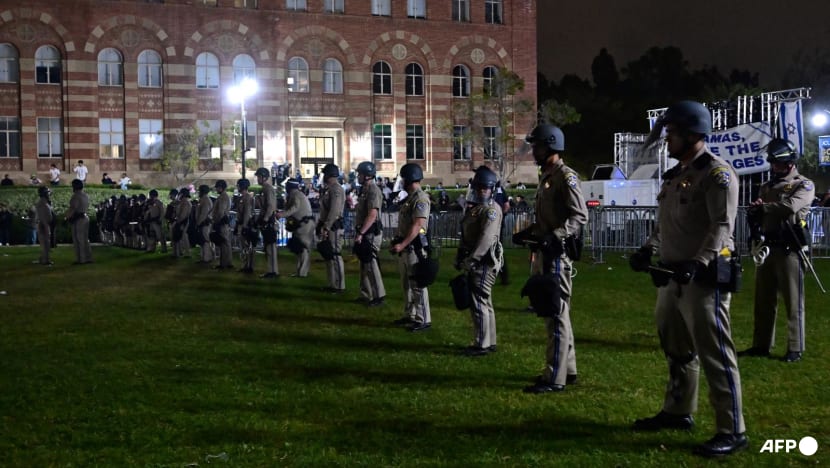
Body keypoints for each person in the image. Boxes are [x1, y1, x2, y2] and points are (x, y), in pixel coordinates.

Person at [628, 100, 746, 457]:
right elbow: (666, 223)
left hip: (703, 277)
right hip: (672, 275)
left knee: (716, 354)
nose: (667, 139)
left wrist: (698, 263)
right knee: (676, 348)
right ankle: (679, 410)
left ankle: (733, 429)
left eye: (672, 132)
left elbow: (722, 227)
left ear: (693, 133)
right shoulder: (677, 175)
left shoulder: (716, 173)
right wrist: (649, 248)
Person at [515, 124, 587, 394]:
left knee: (554, 314)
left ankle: (554, 377)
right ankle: (567, 370)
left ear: (551, 145)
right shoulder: (548, 176)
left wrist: (555, 236)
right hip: (547, 250)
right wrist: (528, 234)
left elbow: (579, 215)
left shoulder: (564, 177)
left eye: (538, 146)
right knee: (559, 314)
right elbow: (546, 219)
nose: (534, 151)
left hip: (557, 254)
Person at [740, 139, 815, 363]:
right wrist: (756, 214)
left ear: (790, 163)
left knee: (793, 302)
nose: (775, 167)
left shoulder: (804, 184)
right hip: (768, 247)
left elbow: (790, 207)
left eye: (779, 164)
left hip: (790, 249)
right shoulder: (767, 186)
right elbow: (763, 213)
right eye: (773, 164)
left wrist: (763, 207)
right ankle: (761, 344)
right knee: (763, 301)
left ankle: (795, 347)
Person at [456, 166, 504, 355]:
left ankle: (481, 343)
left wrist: (471, 260)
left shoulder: (491, 210)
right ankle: (488, 340)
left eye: (485, 188)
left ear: (492, 189)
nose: (480, 191)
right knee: (484, 301)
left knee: (479, 302)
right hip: (476, 259)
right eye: (478, 187)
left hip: (483, 261)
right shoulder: (479, 208)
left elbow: (486, 238)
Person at [390, 163, 433, 332]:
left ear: (409, 179)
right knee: (406, 284)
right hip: (406, 247)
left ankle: (423, 319)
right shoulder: (410, 198)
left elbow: (418, 225)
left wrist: (403, 243)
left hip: (414, 248)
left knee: (417, 285)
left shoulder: (420, 198)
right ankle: (411, 315)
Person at [353, 161, 386, 306]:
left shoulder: (373, 190)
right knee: (364, 264)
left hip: (371, 232)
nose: (357, 176)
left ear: (367, 175)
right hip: (366, 231)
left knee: (371, 263)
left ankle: (379, 295)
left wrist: (361, 232)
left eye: (359, 173)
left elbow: (372, 215)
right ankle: (366, 294)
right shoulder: (365, 190)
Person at [317, 163, 346, 292]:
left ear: (329, 175)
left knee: (335, 254)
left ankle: (339, 285)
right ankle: (332, 284)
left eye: (325, 174)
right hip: (329, 225)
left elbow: (334, 211)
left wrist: (326, 226)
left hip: (333, 226)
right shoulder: (330, 189)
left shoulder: (336, 190)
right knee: (329, 255)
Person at [278, 179, 315, 277]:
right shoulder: (296, 194)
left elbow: (294, 208)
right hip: (303, 224)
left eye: (287, 186)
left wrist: (282, 214)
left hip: (304, 225)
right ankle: (300, 271)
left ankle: (302, 273)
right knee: (300, 248)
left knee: (303, 248)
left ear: (289, 187)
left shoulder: (295, 195)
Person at [254, 167, 279, 278]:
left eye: (259, 176)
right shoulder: (264, 189)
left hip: (269, 220)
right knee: (268, 246)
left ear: (264, 177)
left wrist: (265, 219)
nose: (258, 178)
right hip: (266, 219)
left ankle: (273, 271)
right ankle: (271, 270)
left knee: (270, 247)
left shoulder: (268, 189)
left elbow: (270, 206)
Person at [65, 179, 93, 264]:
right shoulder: (85, 195)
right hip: (85, 217)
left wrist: (67, 217)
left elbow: (73, 208)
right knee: (85, 239)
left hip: (78, 219)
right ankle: (88, 257)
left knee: (78, 239)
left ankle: (81, 259)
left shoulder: (76, 196)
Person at [210, 180, 233, 269]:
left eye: (217, 187)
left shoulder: (223, 197)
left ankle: (224, 264)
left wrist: (216, 222)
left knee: (224, 243)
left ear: (221, 187)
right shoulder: (223, 196)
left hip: (221, 222)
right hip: (222, 222)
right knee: (225, 243)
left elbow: (221, 211)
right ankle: (226, 263)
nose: (216, 189)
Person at [235, 179, 256, 274]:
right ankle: (247, 265)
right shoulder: (244, 197)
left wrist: (244, 226)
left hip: (246, 224)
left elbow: (247, 212)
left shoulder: (246, 198)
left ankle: (247, 266)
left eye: (238, 185)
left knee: (245, 246)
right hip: (244, 223)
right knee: (246, 246)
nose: (237, 187)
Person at [34, 186, 54, 265]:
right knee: (45, 243)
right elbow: (43, 217)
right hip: (43, 224)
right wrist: (45, 226)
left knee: (45, 243)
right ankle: (45, 260)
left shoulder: (44, 202)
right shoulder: (42, 203)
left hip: (44, 224)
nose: (49, 194)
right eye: (47, 193)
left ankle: (43, 258)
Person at [195, 184, 214, 264]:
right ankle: (203, 257)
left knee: (205, 241)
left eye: (199, 190)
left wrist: (199, 223)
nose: (198, 192)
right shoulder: (203, 199)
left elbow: (204, 213)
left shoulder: (205, 200)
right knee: (202, 241)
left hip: (204, 223)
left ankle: (207, 258)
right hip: (203, 223)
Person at [144, 189, 165, 253]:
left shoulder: (159, 202)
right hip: (151, 221)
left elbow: (162, 212)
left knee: (160, 236)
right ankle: (152, 248)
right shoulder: (150, 202)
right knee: (152, 235)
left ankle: (163, 249)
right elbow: (148, 211)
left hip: (157, 220)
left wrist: (160, 219)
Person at [172, 188, 192, 258]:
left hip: (183, 222)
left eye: (180, 193)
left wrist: (178, 222)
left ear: (183, 194)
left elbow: (183, 215)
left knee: (184, 237)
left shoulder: (185, 202)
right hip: (181, 221)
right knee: (179, 238)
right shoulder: (183, 202)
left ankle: (187, 253)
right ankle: (179, 252)